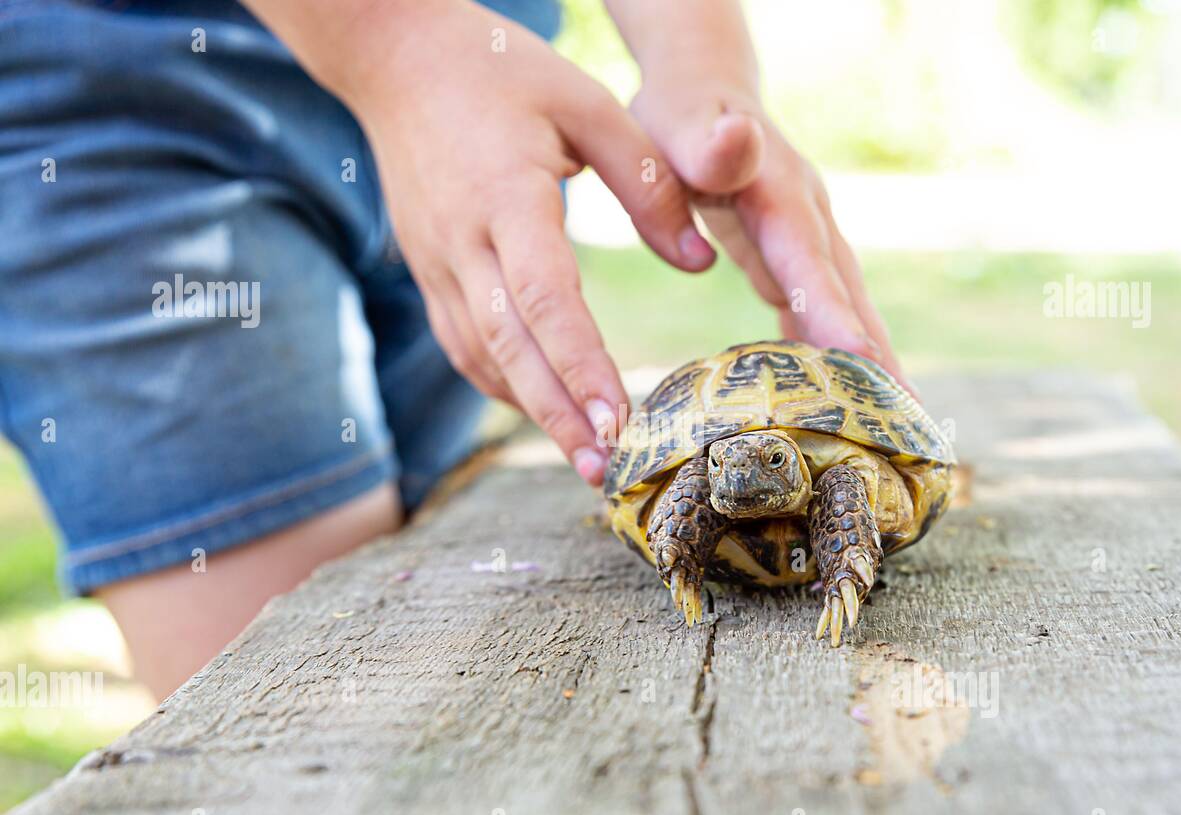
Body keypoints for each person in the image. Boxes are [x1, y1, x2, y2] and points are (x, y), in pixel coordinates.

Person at [0, 0, 904, 699]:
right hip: (141, 104)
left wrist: (698, 64)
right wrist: (392, 45)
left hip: (484, 104)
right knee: (307, 706)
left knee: (423, 614)